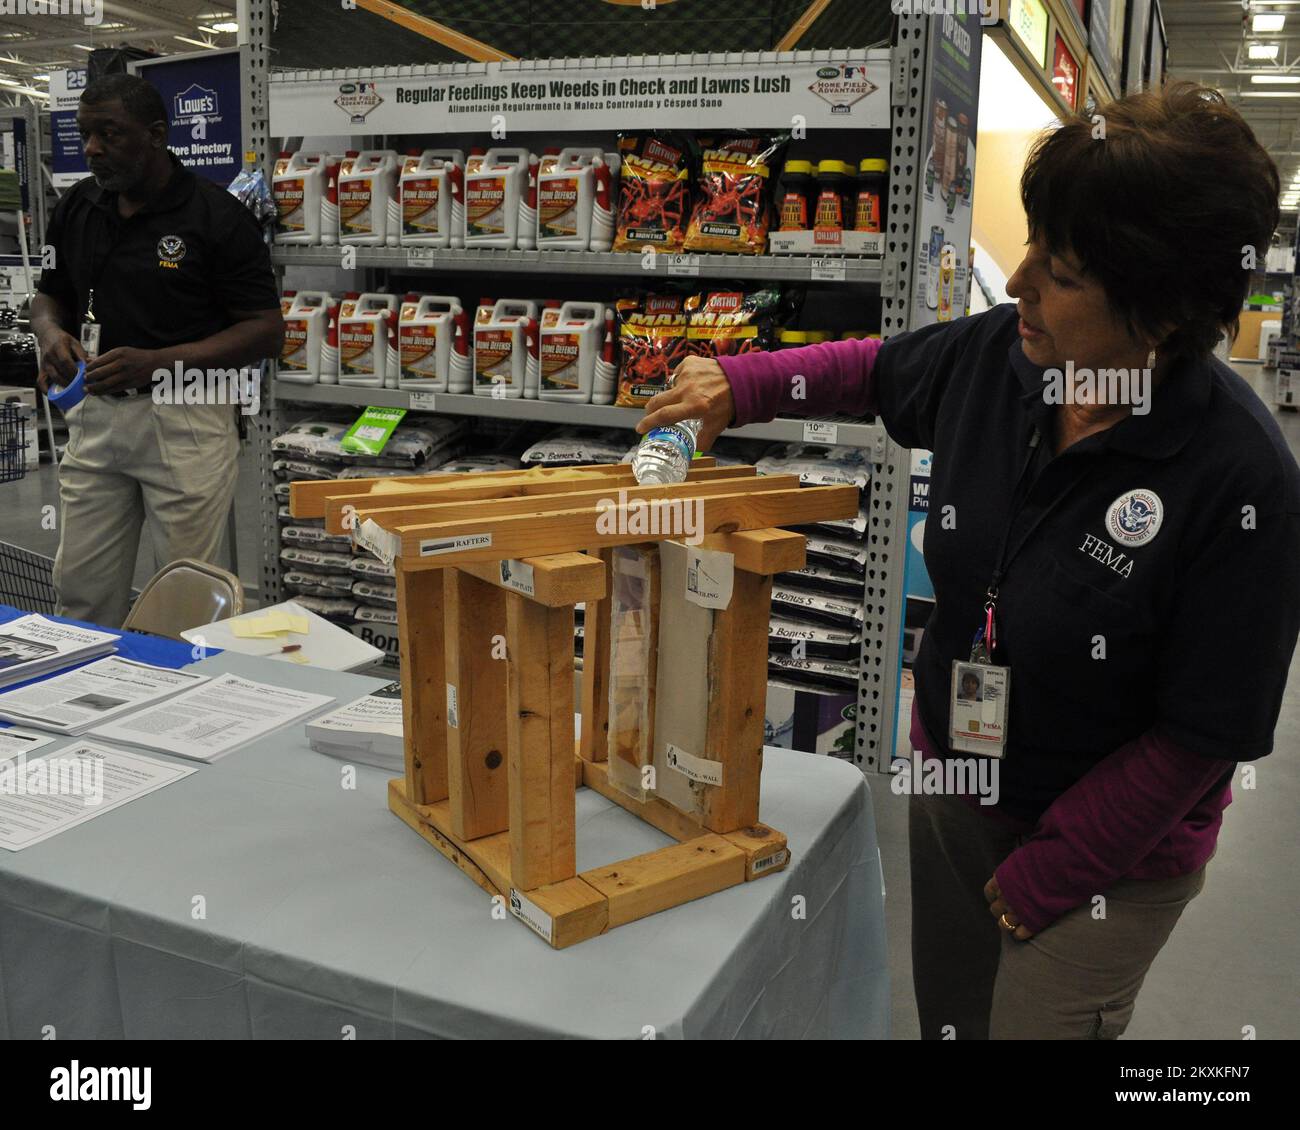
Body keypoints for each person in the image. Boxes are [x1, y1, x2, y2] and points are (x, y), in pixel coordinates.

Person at [637, 82, 1300, 1039]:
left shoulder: (1242, 482)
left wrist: (1049, 871)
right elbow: (874, 371)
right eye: (1033, 245)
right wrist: (735, 387)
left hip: (1109, 858)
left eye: (1062, 273)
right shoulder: (1009, 354)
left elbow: (1203, 738)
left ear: (1159, 314)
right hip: (958, 784)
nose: (1019, 281)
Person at [31, 73, 283, 628]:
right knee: (80, 594)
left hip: (186, 419)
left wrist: (160, 361)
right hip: (95, 415)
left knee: (181, 604)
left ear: (156, 135)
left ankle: (173, 708)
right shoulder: (79, 206)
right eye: (85, 134)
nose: (93, 148)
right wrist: (50, 335)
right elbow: (49, 296)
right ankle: (83, 703)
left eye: (109, 134)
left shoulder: (216, 217)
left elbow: (265, 331)